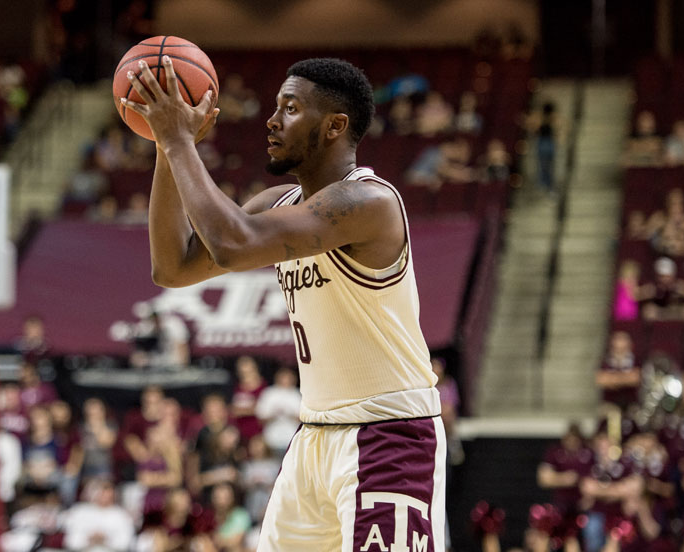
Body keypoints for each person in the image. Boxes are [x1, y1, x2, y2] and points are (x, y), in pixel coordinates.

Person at [123, 56, 444, 550]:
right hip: (314, 433)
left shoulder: (369, 203)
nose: (272, 121)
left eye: (290, 109)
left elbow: (234, 243)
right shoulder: (276, 204)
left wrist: (178, 139)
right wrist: (167, 148)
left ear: (335, 126)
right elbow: (172, 267)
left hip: (389, 436)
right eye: (276, 107)